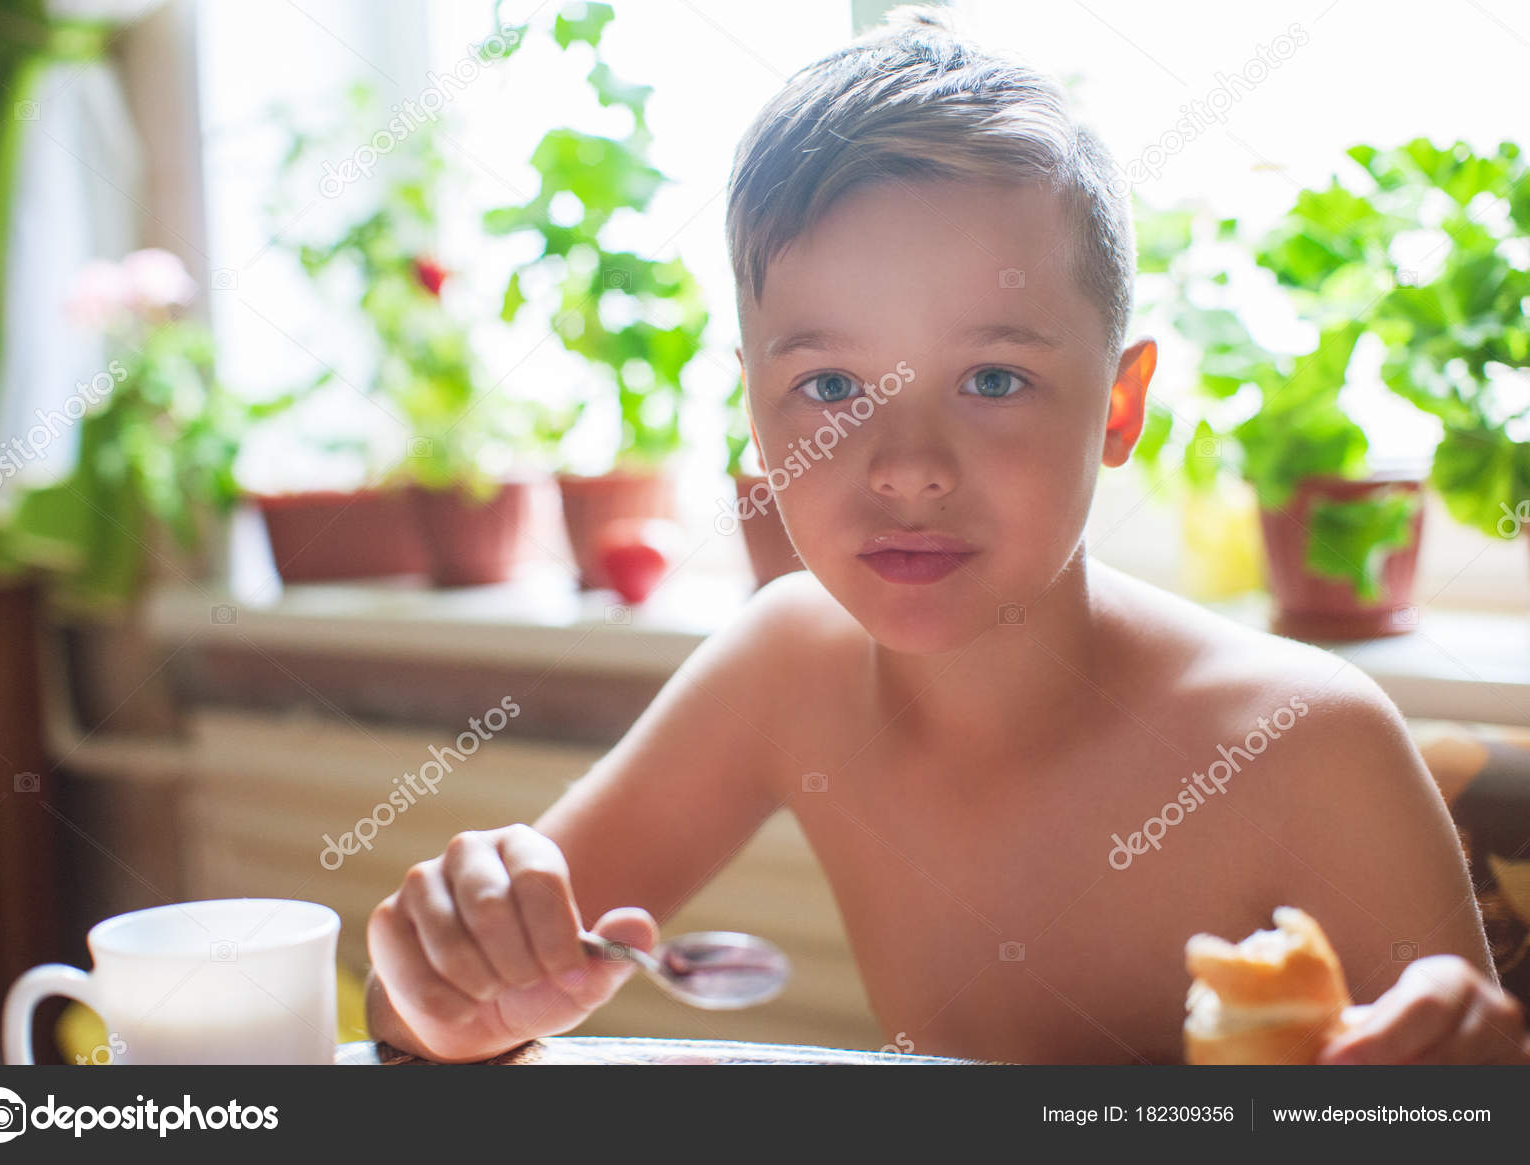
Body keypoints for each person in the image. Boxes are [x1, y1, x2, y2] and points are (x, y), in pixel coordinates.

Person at [364, 5, 1528, 1065]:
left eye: (991, 375)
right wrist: (449, 978)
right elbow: (429, 1015)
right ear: (755, 419)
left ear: (1117, 409)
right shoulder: (785, 665)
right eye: (828, 387)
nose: (905, 466)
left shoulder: (1305, 743)